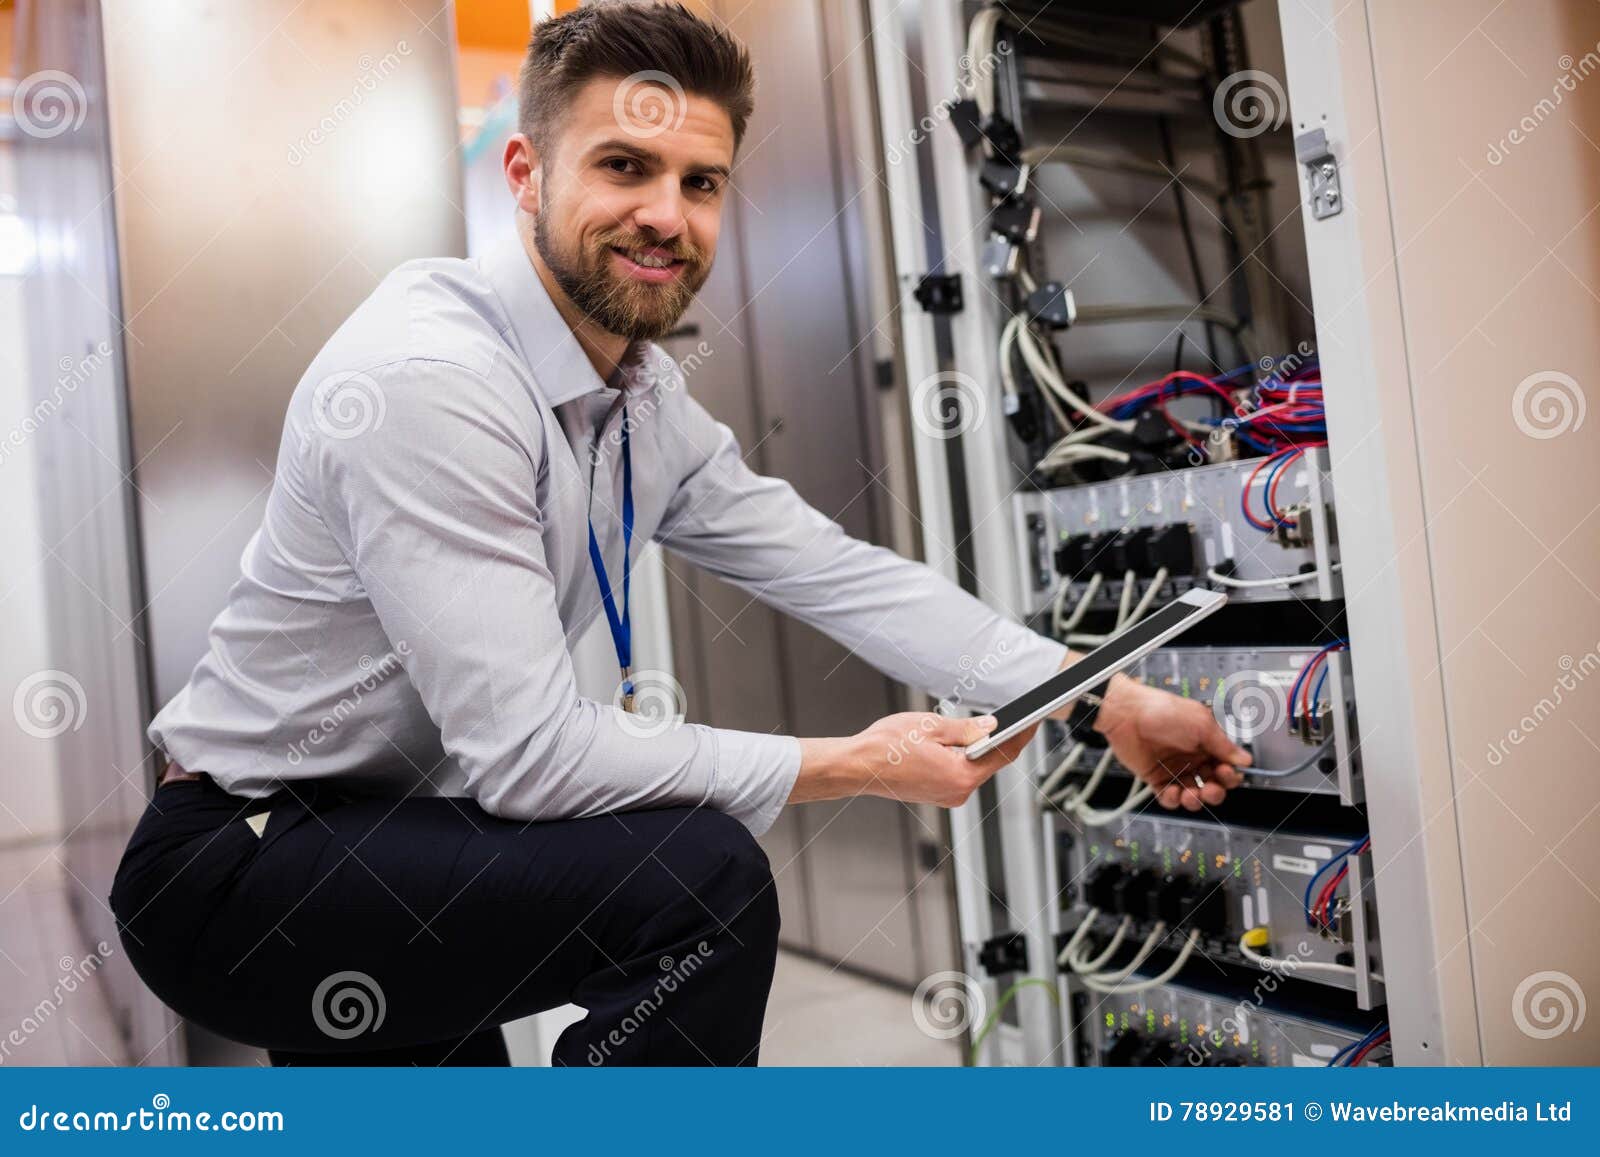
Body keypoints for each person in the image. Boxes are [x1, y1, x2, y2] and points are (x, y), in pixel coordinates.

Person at [109, 1, 1250, 1068]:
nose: (667, 214)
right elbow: (533, 759)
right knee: (694, 880)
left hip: (396, 840)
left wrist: (1099, 696)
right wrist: (856, 764)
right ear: (524, 171)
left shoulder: (639, 399)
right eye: (623, 166)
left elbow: (836, 571)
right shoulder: (434, 381)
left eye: (700, 181)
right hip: (247, 864)